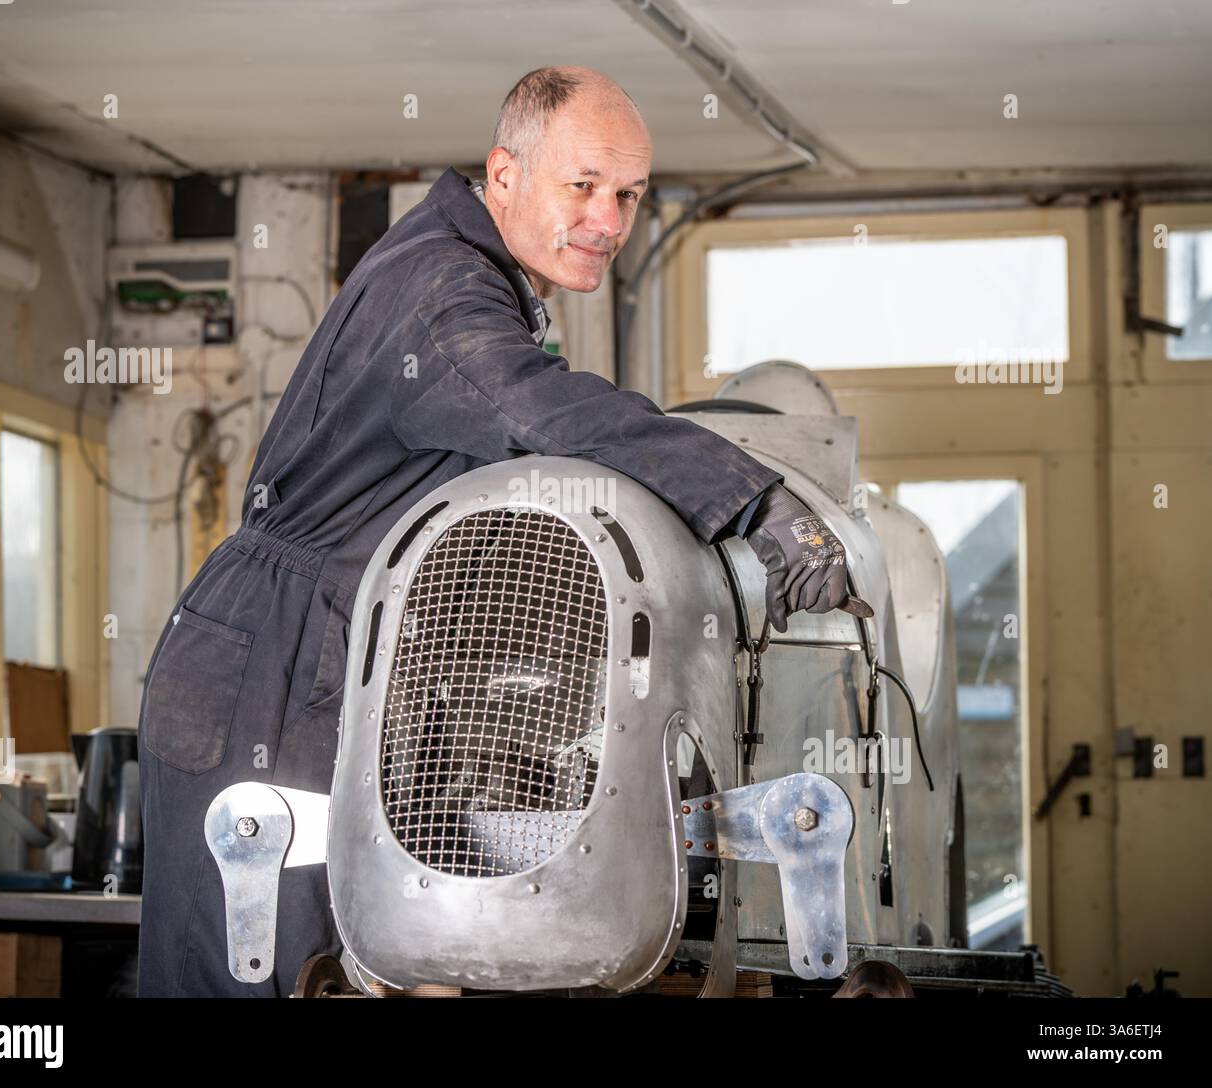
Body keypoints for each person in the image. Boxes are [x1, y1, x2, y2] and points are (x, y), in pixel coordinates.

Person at [136, 65, 866, 997]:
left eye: (630, 194)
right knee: (268, 975)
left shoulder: (472, 275)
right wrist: (758, 505)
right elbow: (545, 415)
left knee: (346, 965)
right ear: (505, 174)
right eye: (584, 186)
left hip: (317, 647)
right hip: (272, 663)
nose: (609, 218)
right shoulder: (444, 293)